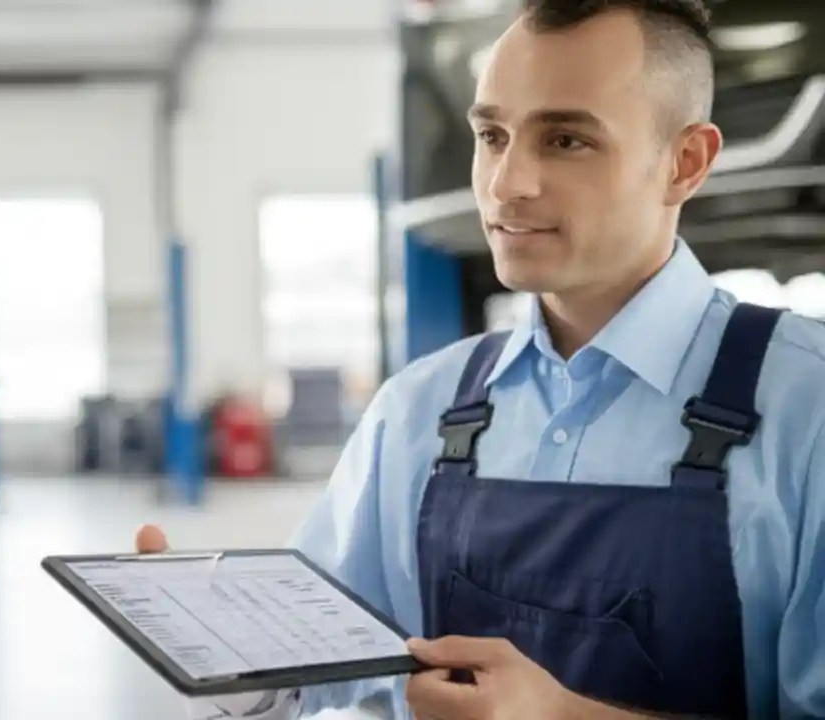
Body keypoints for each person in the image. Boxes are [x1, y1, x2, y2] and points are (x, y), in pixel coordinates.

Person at [139, 1, 825, 718]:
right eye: (492, 135)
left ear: (686, 163)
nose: (506, 184)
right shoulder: (420, 412)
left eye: (565, 140)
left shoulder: (807, 411)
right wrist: (224, 652)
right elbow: (315, 671)